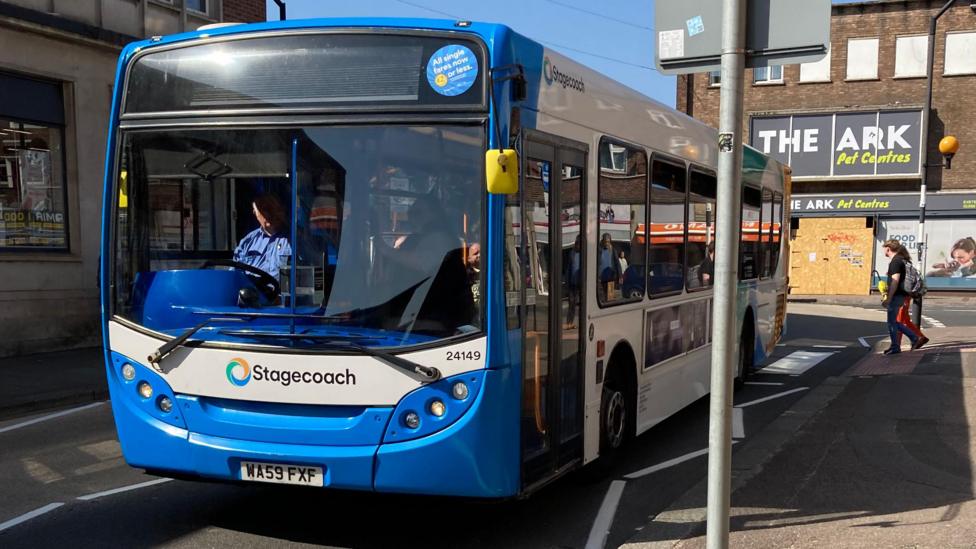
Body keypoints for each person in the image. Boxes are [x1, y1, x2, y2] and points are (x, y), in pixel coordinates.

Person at [233, 194, 292, 280]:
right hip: (252, 292)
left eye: (271, 208)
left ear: (281, 210)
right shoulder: (247, 242)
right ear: (255, 213)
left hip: (281, 293)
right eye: (263, 209)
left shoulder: (295, 239)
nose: (268, 213)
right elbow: (235, 274)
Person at [881, 239, 920, 354]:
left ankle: (909, 339)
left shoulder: (896, 262)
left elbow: (895, 281)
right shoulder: (901, 260)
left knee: (892, 322)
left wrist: (889, 298)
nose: (883, 250)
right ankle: (897, 345)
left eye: (884, 248)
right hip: (901, 295)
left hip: (897, 295)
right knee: (893, 321)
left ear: (888, 248)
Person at [598, 233, 622, 301]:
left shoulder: (613, 250)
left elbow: (617, 263)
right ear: (602, 241)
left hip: (610, 277)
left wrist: (620, 276)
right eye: (605, 242)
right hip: (601, 278)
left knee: (610, 297)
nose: (607, 243)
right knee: (602, 298)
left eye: (608, 242)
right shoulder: (599, 250)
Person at [565, 234, 582, 326]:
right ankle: (569, 322)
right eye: (577, 244)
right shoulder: (572, 253)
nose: (577, 246)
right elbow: (568, 268)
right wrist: (567, 282)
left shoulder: (585, 253)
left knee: (578, 304)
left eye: (579, 244)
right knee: (571, 303)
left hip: (581, 283)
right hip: (572, 283)